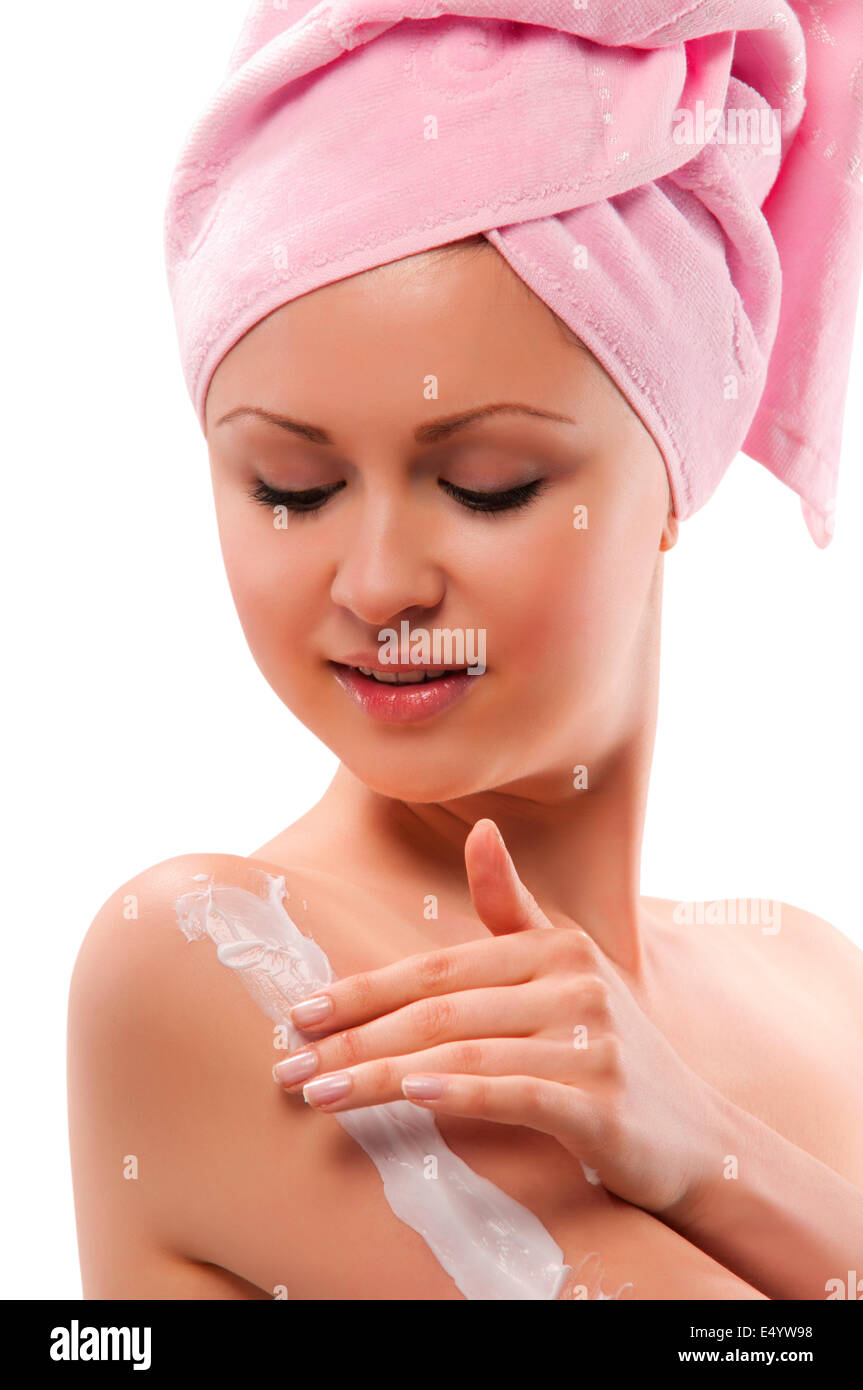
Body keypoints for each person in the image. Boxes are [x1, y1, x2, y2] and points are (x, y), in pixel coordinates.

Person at [67, 0, 863, 1300]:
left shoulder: (823, 987)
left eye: (487, 483)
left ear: (676, 474)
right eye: (290, 485)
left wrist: (715, 1147)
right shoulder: (225, 964)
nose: (378, 583)